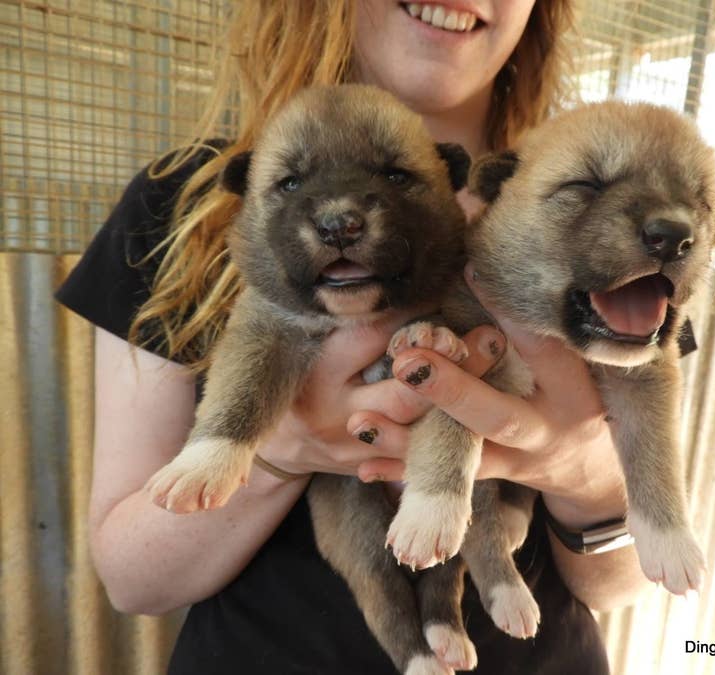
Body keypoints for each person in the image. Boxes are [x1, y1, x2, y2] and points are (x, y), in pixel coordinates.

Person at [56, 2, 652, 672]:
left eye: (400, 177)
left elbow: (625, 584)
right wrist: (282, 446)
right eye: (286, 184)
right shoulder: (184, 207)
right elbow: (134, 580)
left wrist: (584, 472)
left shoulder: (601, 209)